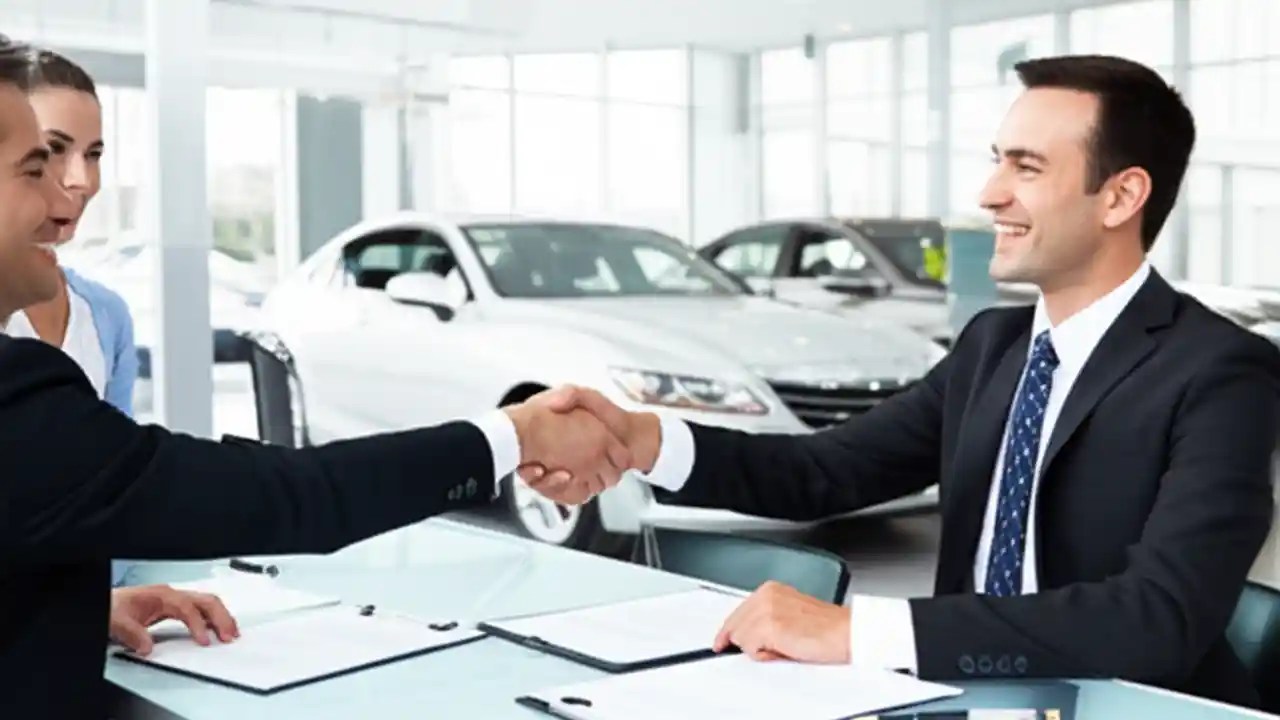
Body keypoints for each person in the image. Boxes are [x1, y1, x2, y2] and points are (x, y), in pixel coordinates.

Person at [526, 55, 1280, 709]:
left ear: (1121, 197)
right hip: (959, 692)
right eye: (996, 160)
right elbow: (822, 470)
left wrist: (857, 631)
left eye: (1026, 167)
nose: (988, 195)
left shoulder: (1222, 372)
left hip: (1130, 704)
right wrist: (639, 438)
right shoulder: (994, 346)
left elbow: (1156, 619)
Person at [0, 36, 629, 716]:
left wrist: (86, 603)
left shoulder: (84, 333)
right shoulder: (18, 393)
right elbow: (274, 495)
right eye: (34, 169)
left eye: (86, 157)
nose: (69, 193)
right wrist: (513, 436)